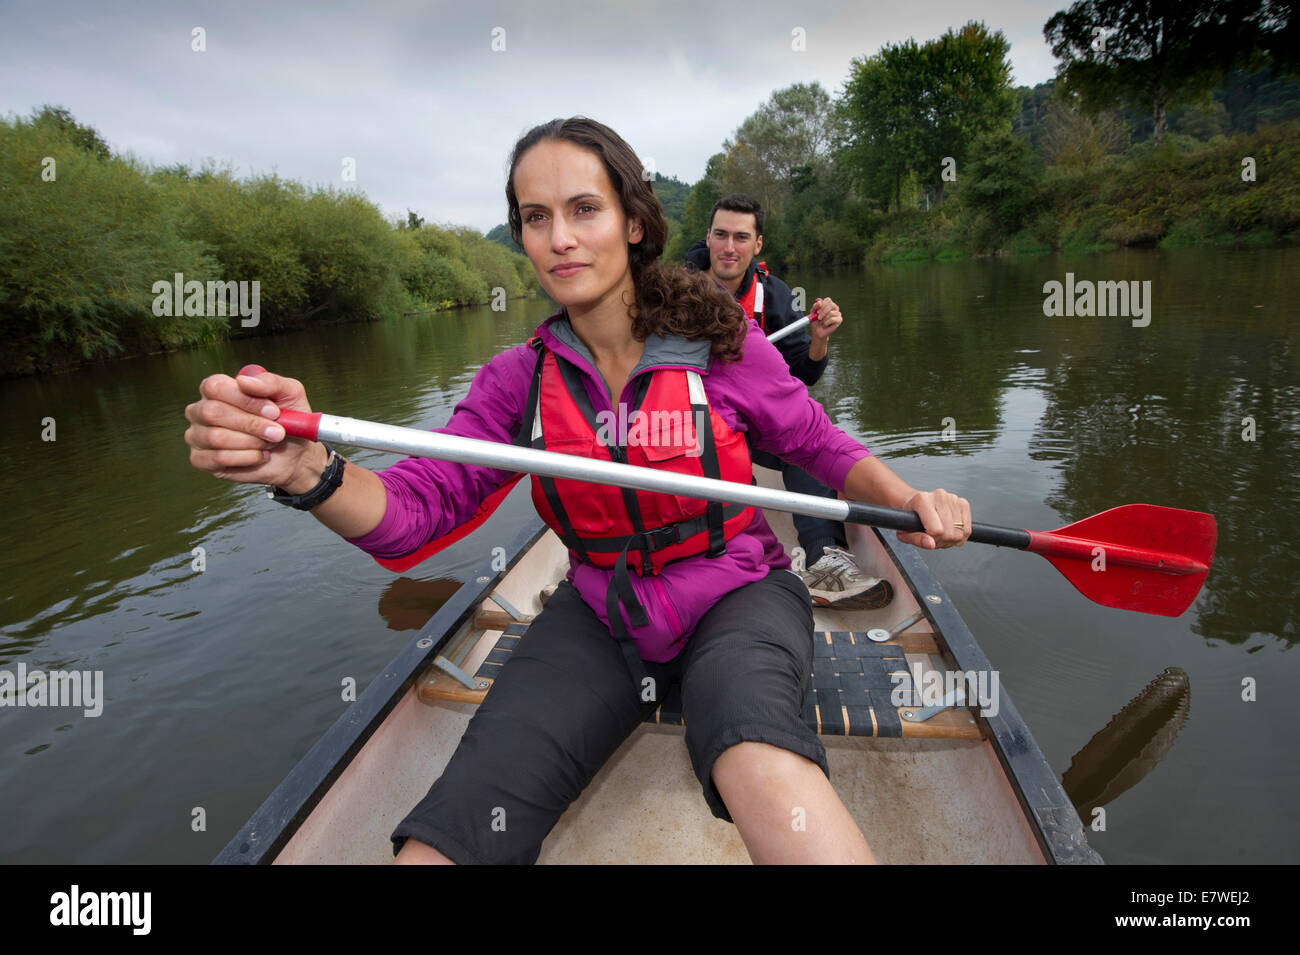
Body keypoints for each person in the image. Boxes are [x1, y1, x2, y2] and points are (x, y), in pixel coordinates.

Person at [184, 117, 971, 865]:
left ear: (632, 222)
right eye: (535, 217)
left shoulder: (717, 346)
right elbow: (410, 517)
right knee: (460, 820)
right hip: (603, 608)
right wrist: (307, 473)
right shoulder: (517, 381)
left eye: (583, 209)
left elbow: (814, 443)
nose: (558, 238)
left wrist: (908, 499)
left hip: (739, 591)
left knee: (756, 748)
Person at [686, 195, 888, 609]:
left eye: (741, 237)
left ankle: (823, 558)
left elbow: (803, 377)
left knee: (803, 442)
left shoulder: (773, 295)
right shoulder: (676, 291)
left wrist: (818, 341)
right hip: (688, 426)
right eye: (721, 235)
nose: (729, 247)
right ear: (707, 238)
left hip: (752, 423)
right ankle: (700, 557)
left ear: (757, 244)